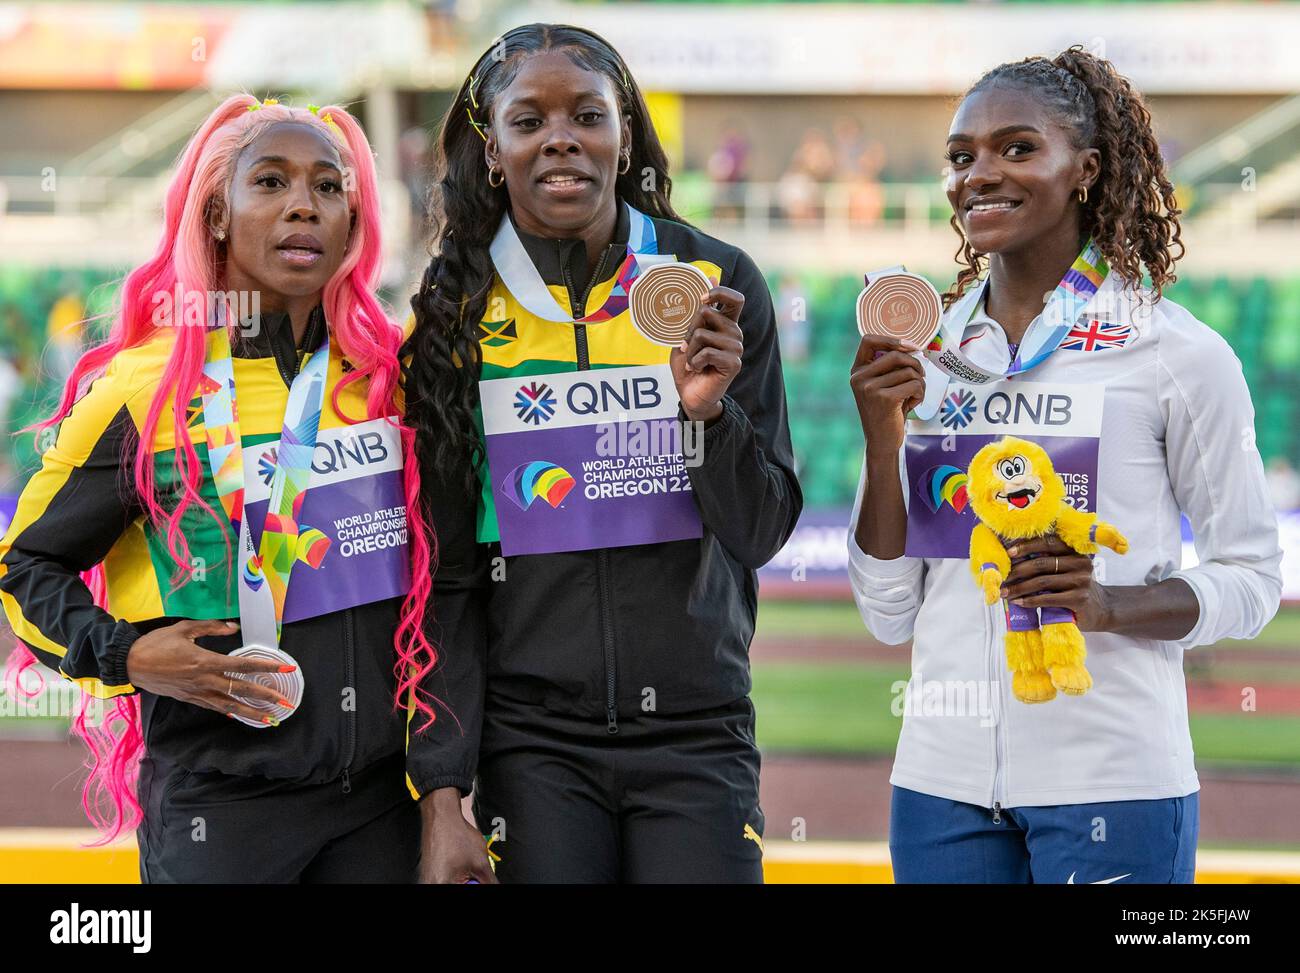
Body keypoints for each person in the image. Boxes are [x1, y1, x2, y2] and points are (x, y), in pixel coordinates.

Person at [848, 47, 1282, 884]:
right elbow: (889, 614)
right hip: (939, 785)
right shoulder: (927, 355)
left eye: (1017, 149)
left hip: (1114, 784)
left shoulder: (1176, 353)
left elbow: (1254, 577)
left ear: (1085, 170)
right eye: (962, 156)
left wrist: (1110, 603)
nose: (981, 174)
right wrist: (881, 437)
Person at [402, 23, 801, 884]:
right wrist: (442, 790)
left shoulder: (713, 279)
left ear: (624, 138)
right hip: (532, 742)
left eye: (588, 114)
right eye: (528, 120)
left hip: (698, 733)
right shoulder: (455, 313)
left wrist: (707, 416)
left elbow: (762, 527)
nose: (561, 138)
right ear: (492, 147)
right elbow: (452, 576)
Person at [0, 95, 434, 882]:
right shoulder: (147, 390)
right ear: (218, 215)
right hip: (220, 813)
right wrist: (128, 654)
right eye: (269, 181)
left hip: (380, 803)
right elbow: (22, 568)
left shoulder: (391, 377)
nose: (304, 203)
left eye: (329, 187)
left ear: (353, 224)